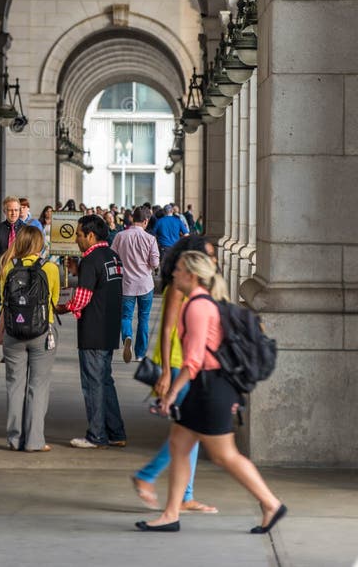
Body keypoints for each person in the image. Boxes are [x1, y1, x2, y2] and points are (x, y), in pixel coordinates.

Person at [135, 251, 286, 534]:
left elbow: (192, 360)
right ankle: (170, 513)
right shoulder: (197, 303)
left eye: (179, 269)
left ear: (191, 275)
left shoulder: (197, 307)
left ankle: (270, 504)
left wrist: (170, 393)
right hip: (206, 386)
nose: (174, 274)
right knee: (179, 445)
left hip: (212, 387)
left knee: (224, 455)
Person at [131, 236, 218, 514]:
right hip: (178, 365)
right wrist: (167, 371)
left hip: (189, 365)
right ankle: (150, 477)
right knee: (189, 431)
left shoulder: (196, 288)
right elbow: (168, 331)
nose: (214, 261)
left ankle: (184, 494)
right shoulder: (178, 289)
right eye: (209, 255)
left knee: (188, 433)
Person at [56, 215, 126, 449]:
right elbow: (102, 287)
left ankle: (96, 435)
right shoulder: (113, 258)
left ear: (90, 236)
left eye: (78, 234)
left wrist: (62, 307)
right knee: (105, 381)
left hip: (93, 330)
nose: (76, 239)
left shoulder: (91, 259)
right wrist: (78, 270)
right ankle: (116, 432)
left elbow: (82, 298)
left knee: (93, 384)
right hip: (109, 329)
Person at [0, 226, 61, 452]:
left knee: (14, 386)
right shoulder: (50, 268)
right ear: (39, 244)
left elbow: (4, 301)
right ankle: (34, 441)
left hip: (13, 333)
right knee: (38, 386)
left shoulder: (6, 267)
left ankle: (14, 439)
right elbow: (55, 296)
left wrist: (0, 332)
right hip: (43, 333)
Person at [111, 206, 159, 363]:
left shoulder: (120, 236)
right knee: (143, 319)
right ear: (145, 221)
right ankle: (140, 354)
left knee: (125, 316)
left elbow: (113, 258)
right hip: (145, 284)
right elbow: (155, 263)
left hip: (126, 284)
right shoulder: (150, 239)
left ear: (132, 218)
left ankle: (127, 337)